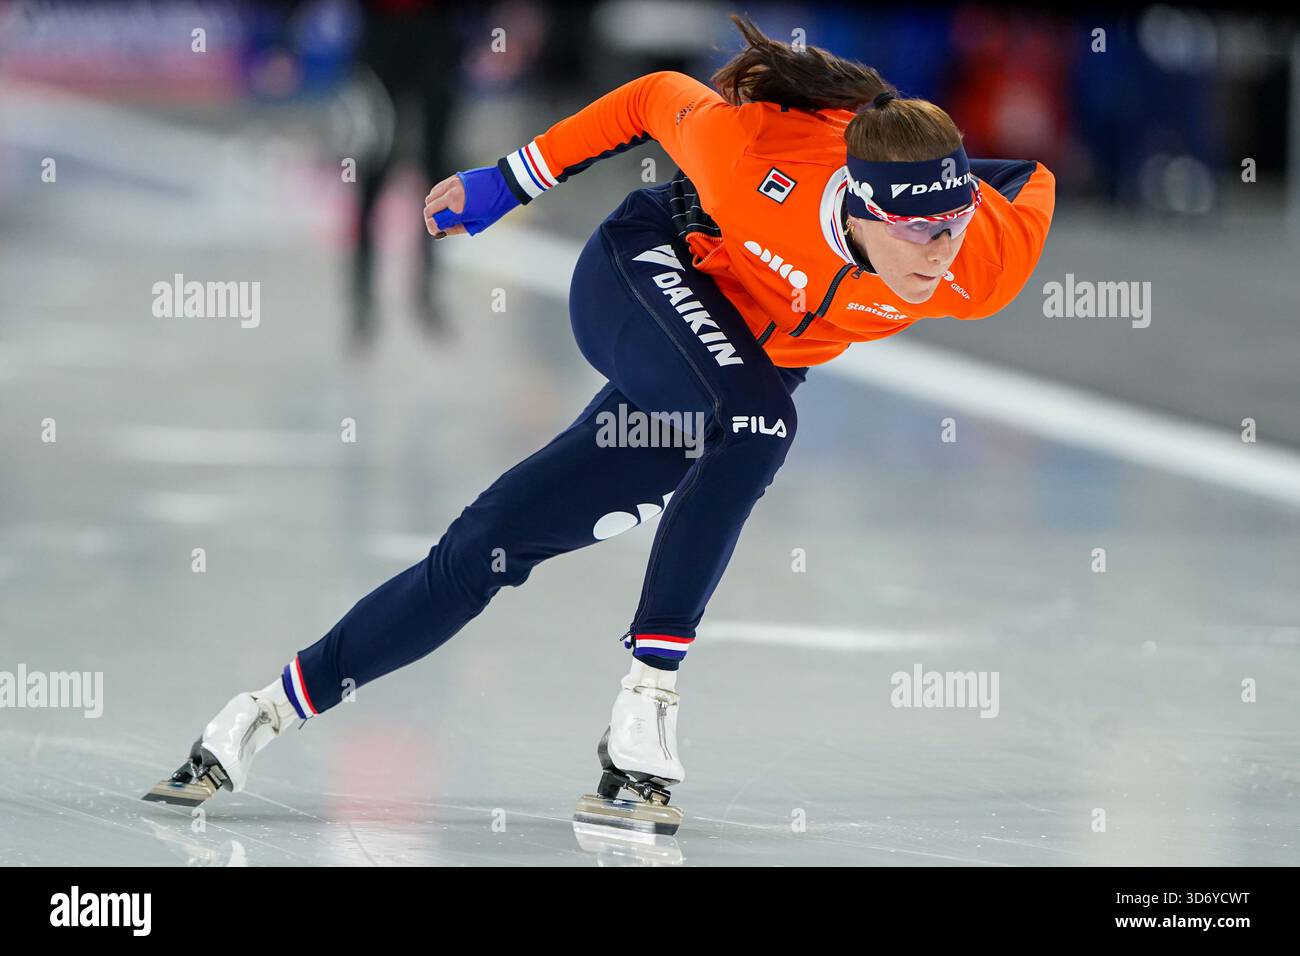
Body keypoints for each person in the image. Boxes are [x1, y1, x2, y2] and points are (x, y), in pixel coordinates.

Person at [149, 15, 1054, 816]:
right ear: (860, 209)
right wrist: (509, 180)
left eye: (953, 225)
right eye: (917, 232)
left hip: (723, 375)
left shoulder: (981, 261)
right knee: (757, 422)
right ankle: (648, 700)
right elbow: (655, 97)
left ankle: (259, 712)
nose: (940, 255)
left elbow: (1023, 179)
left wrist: (956, 196)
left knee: (491, 546)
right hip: (644, 275)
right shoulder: (754, 168)